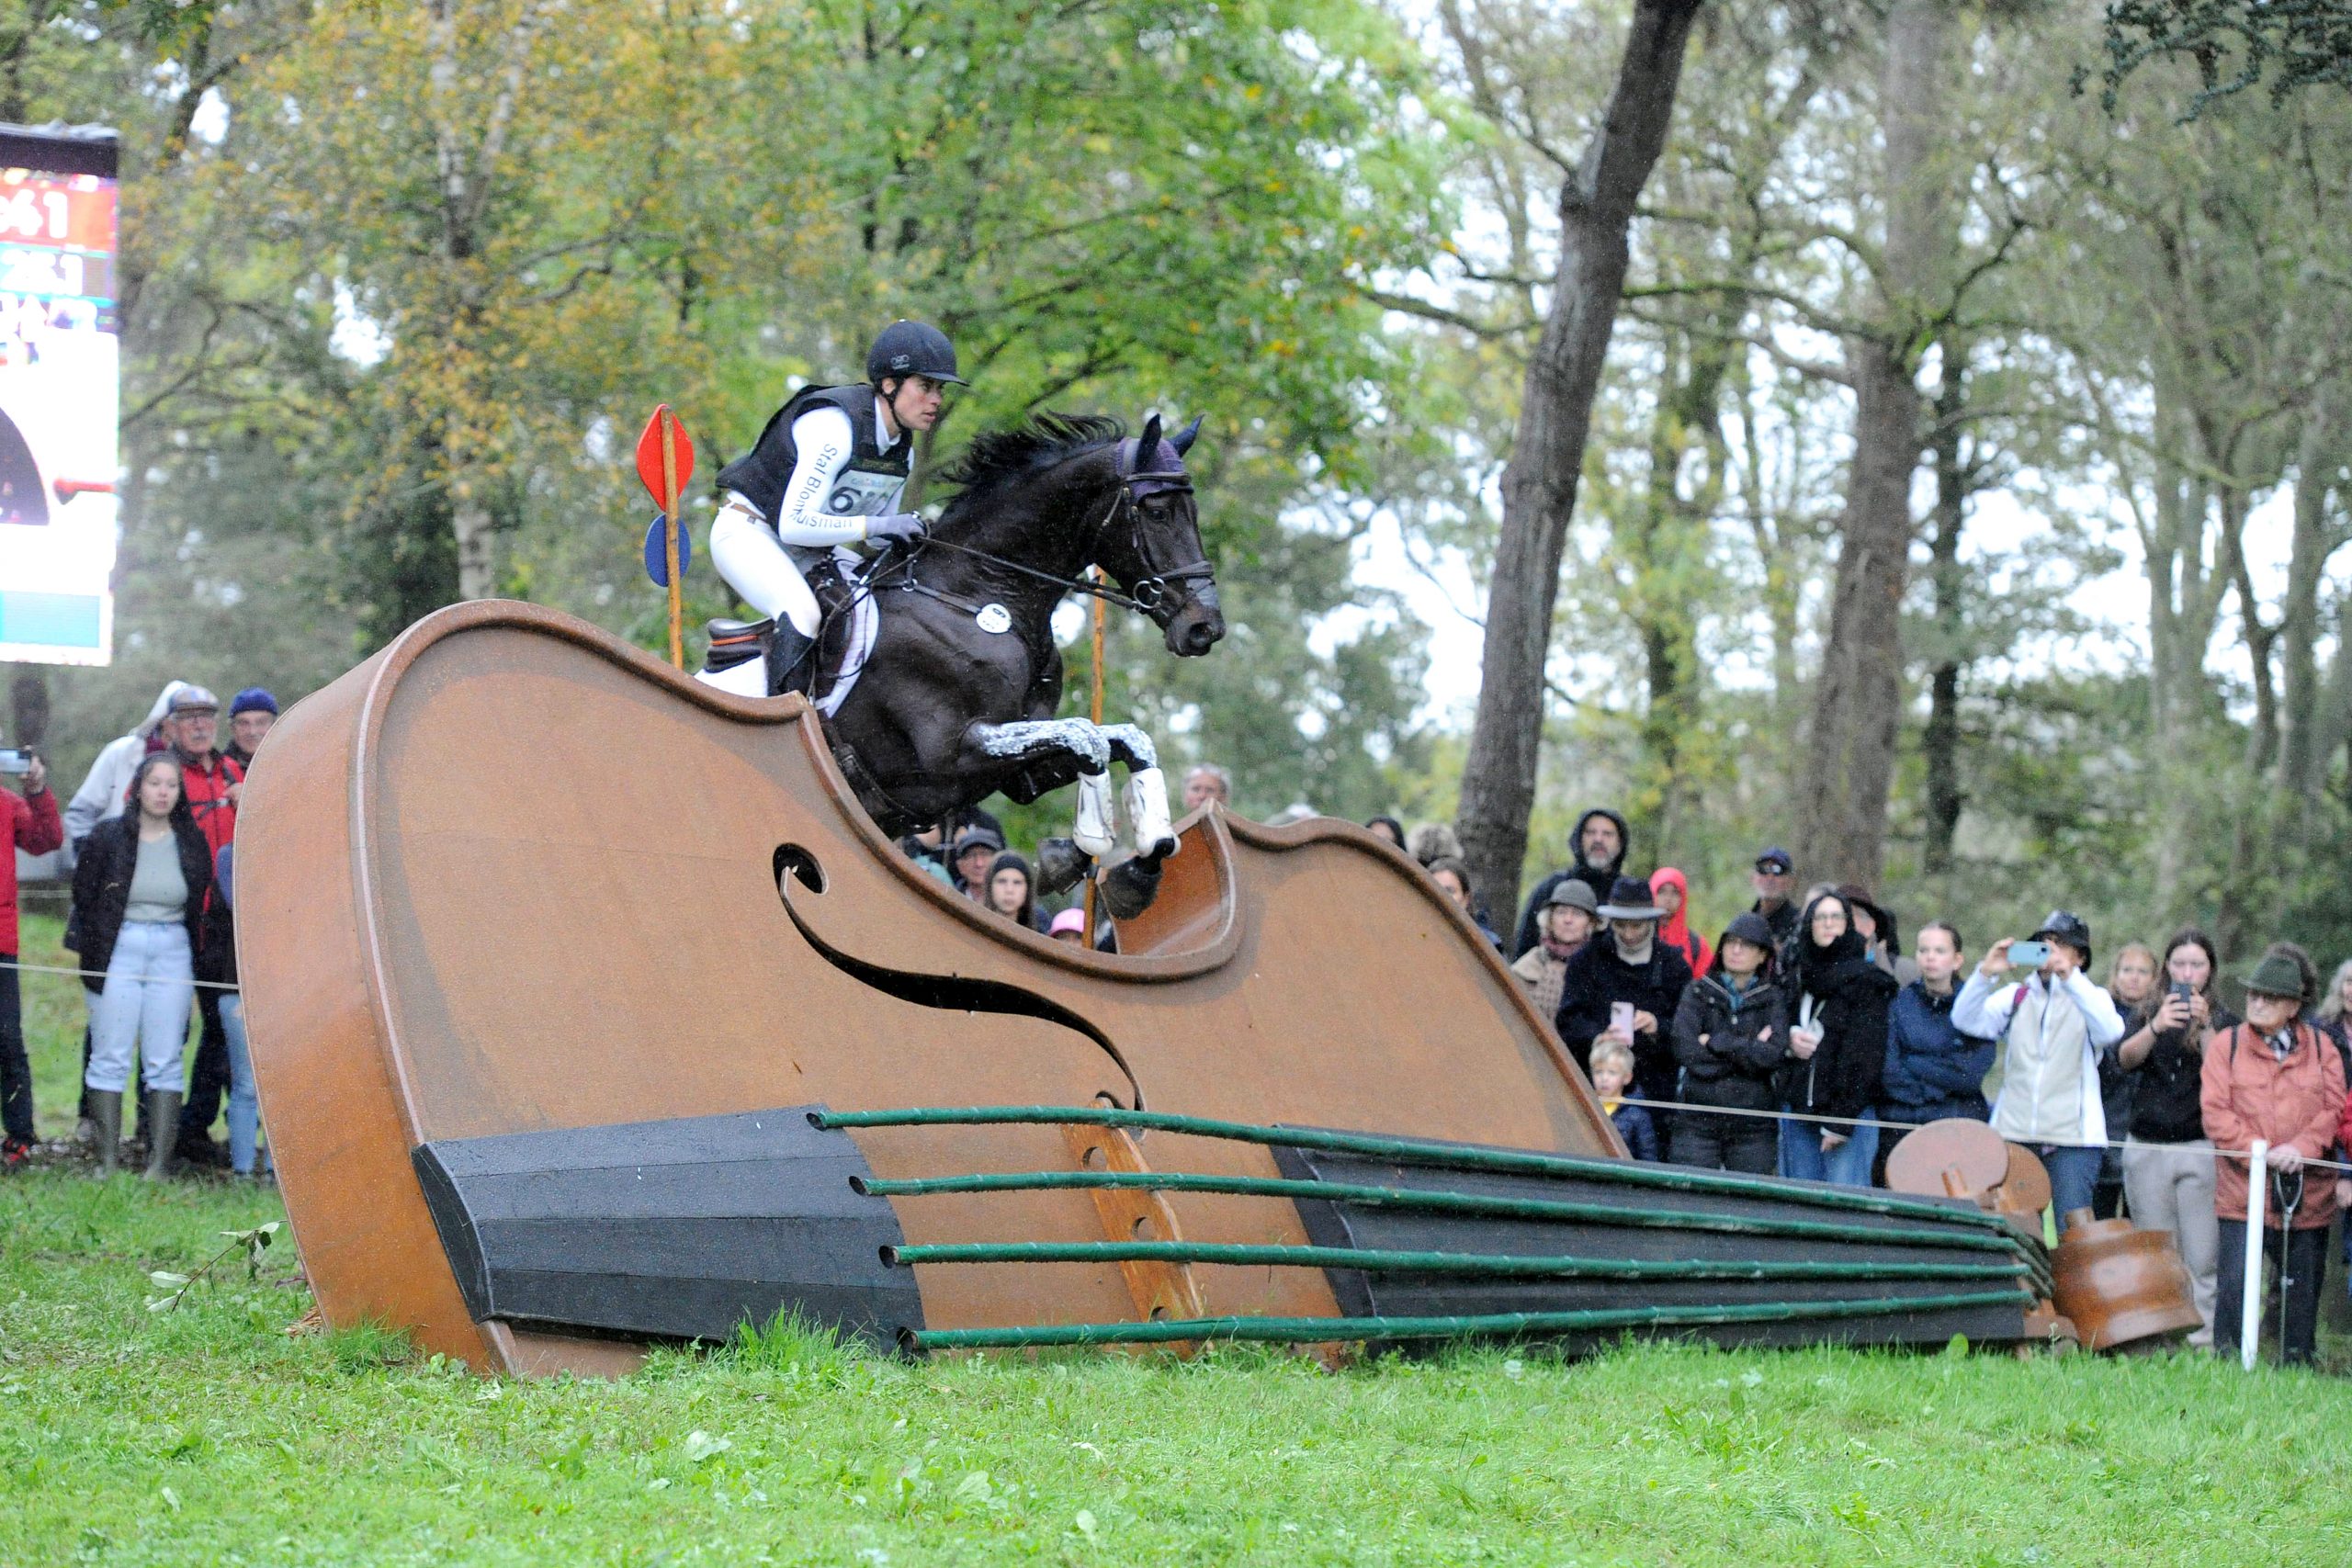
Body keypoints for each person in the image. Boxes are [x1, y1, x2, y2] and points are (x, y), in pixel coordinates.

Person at [709, 321, 959, 694]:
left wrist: (925, 535)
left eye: (939, 389)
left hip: (808, 548)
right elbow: (795, 525)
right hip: (749, 533)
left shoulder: (900, 448)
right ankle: (780, 728)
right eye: (925, 386)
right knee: (803, 613)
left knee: (884, 607)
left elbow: (878, 536)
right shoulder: (835, 426)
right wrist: (880, 528)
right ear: (889, 384)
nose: (936, 399)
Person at [73, 754, 212, 1179]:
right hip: (119, 945)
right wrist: (95, 956)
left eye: (171, 785)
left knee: (165, 1058)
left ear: (179, 792)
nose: (163, 791)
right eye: (155, 783)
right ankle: (107, 1163)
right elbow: (85, 895)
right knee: (109, 1054)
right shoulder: (108, 836)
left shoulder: (191, 839)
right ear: (139, 787)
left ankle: (158, 1166)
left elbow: (200, 897)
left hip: (172, 948)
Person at [2206, 953, 2347, 1368]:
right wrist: (2260, 1153)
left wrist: (2300, 1150)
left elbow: (2334, 1109)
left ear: (2293, 1006)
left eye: (2269, 997)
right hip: (2241, 1192)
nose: (2257, 1003)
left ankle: (2297, 1363)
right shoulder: (2226, 1044)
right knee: (2234, 1283)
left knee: (2301, 1288)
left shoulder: (2323, 1049)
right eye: (2253, 994)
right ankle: (2229, 1363)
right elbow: (2216, 1112)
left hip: (2307, 1195)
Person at [1952, 911, 2126, 1221]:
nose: (2050, 949)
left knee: (2072, 1235)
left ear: (2080, 955)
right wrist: (1984, 974)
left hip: (2074, 1141)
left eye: (2059, 944)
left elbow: (2111, 1030)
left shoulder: (2092, 999)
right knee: (2013, 1229)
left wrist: (2069, 977)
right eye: (2043, 943)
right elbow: (1965, 1020)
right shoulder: (2017, 996)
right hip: (2014, 1133)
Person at [2117, 928, 2234, 1346]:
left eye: (2196, 964)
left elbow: (2226, 1072)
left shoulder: (2223, 1017)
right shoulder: (2149, 1007)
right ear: (2167, 967)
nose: (2187, 972)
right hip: (2147, 1145)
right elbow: (2124, 1058)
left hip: (2199, 1146)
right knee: (2156, 1252)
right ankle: (2162, 1337)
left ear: (2210, 970)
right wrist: (2156, 1025)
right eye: (2180, 963)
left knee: (2202, 1255)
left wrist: (2202, 1027)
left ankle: (2201, 1341)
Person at [158, 687, 244, 1167]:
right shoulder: (162, 772)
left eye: (206, 717)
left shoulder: (233, 772)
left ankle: (196, 1130)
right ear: (171, 726)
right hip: (176, 918)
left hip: (223, 926)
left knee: (218, 1030)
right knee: (168, 1028)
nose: (198, 725)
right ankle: (158, 1132)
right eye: (188, 717)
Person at [1777, 891, 1898, 1187]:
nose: (1828, 924)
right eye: (1820, 917)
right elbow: (1781, 1026)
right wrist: (1790, 1040)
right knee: (1798, 1209)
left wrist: (1840, 1122)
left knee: (1844, 1216)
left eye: (1836, 917)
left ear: (1848, 924)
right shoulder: (1799, 977)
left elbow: (1866, 1057)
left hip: (1846, 1118)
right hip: (1799, 1111)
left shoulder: (1868, 982)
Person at [1555, 875, 1693, 1105]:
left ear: (1650, 921)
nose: (1628, 934)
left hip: (1654, 1089)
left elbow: (1687, 1030)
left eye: (1636, 925)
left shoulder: (1674, 966)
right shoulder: (1586, 959)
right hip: (1595, 1084)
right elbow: (1568, 1020)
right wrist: (1598, 1036)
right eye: (1620, 924)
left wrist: (1657, 1026)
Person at [1668, 912, 1786, 1174]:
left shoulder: (1773, 999)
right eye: (1730, 942)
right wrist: (1747, 1053)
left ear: (1763, 955)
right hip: (1697, 1121)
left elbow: (1773, 1055)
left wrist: (1716, 1042)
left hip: (1753, 1125)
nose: (1735, 950)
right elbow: (1686, 1049)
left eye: (1746, 945)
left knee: (1749, 1206)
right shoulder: (1697, 991)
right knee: (1690, 1200)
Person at [1878, 922, 1993, 1182]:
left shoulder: (1976, 1007)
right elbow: (1890, 1069)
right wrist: (1931, 1089)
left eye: (1939, 950)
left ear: (1957, 960)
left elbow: (1970, 1074)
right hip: (1904, 1124)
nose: (1930, 957)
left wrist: (1915, 1062)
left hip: (1959, 1126)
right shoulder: (1899, 1003)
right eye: (1923, 950)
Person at [0, 736, 62, 1168]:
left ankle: (20, 1137)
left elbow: (46, 840)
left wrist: (37, 790)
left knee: (7, 1040)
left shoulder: (8, 804)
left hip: (1, 943)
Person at [202, 842, 264, 1177]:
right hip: (236, 983)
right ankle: (242, 1174)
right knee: (246, 1084)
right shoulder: (231, 854)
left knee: (282, 1086)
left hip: (291, 989)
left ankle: (275, 1175)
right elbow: (236, 901)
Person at [2098, 942, 2162, 1218]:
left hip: (2143, 1129)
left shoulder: (2163, 1017)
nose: (2134, 977)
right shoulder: (2100, 1012)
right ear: (2116, 974)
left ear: (2155, 978)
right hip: (2104, 1126)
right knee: (2099, 1218)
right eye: (2127, 970)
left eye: (2142, 971)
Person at [1512, 807, 1630, 958]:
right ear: (1578, 839)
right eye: (1590, 832)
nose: (1598, 839)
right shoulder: (1550, 888)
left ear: (1620, 843)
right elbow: (1524, 948)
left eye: (1607, 834)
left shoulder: (1628, 893)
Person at [1510, 880, 1597, 1021]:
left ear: (1591, 922)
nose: (1568, 920)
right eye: (1561, 912)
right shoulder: (1527, 965)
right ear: (1549, 920)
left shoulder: (1599, 965)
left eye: (1578, 913)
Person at [1589, 1040, 1658, 1161]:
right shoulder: (1586, 1106)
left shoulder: (1637, 1115)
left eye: (1612, 1073)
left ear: (1627, 1078)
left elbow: (1648, 1157)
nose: (1604, 1078)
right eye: (1598, 1072)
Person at [1427, 856, 1501, 951]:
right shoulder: (1413, 936)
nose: (1442, 896)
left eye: (1449, 891)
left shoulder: (1486, 946)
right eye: (1435, 889)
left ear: (1466, 899)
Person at [1650, 867, 1712, 977]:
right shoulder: (1637, 937)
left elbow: (1707, 986)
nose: (1668, 899)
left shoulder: (1697, 945)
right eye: (1662, 891)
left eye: (1675, 893)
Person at [1748, 847, 1799, 951]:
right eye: (1763, 870)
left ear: (1791, 881)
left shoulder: (1798, 923)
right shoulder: (1747, 922)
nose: (1770, 878)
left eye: (1777, 871)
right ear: (1753, 878)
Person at [983, 851, 1046, 932]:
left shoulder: (1040, 937)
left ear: (1027, 889)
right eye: (1002, 881)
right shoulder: (974, 929)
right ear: (990, 886)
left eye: (1017, 882)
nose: (1009, 890)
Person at [223, 687, 277, 769]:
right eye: (244, 723)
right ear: (232, 728)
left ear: (275, 725)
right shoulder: (219, 771)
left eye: (261, 722)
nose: (252, 731)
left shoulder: (292, 764)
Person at [949, 826, 1005, 899]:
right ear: (960, 865)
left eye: (985, 854)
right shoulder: (949, 900)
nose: (979, 863)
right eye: (971, 855)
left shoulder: (1013, 904)